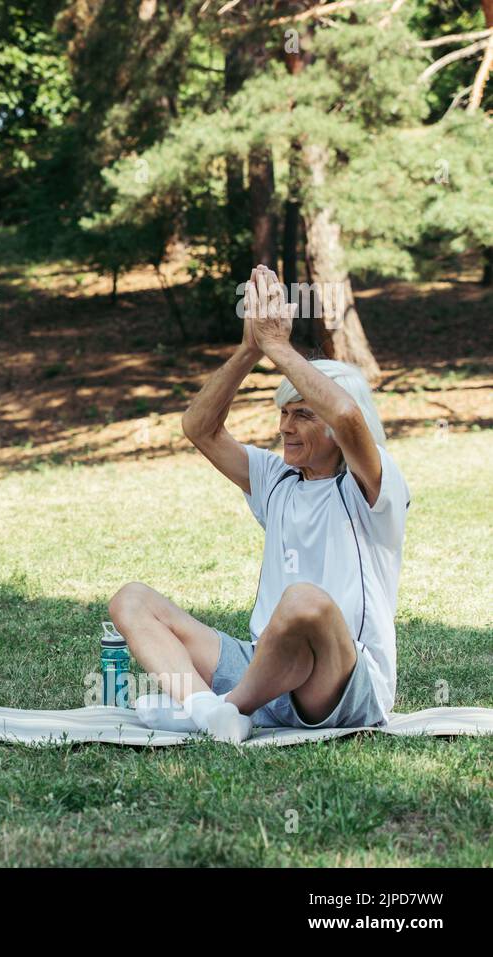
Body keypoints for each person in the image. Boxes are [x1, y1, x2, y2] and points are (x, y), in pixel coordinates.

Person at [110, 265, 409, 743]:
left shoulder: (374, 487)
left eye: (302, 416)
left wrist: (279, 347)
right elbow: (199, 428)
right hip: (262, 669)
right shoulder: (277, 479)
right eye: (283, 414)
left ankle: (222, 709)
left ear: (332, 431)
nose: (284, 428)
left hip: (344, 682)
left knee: (304, 600)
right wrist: (250, 349)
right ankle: (211, 712)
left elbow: (349, 414)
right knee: (132, 599)